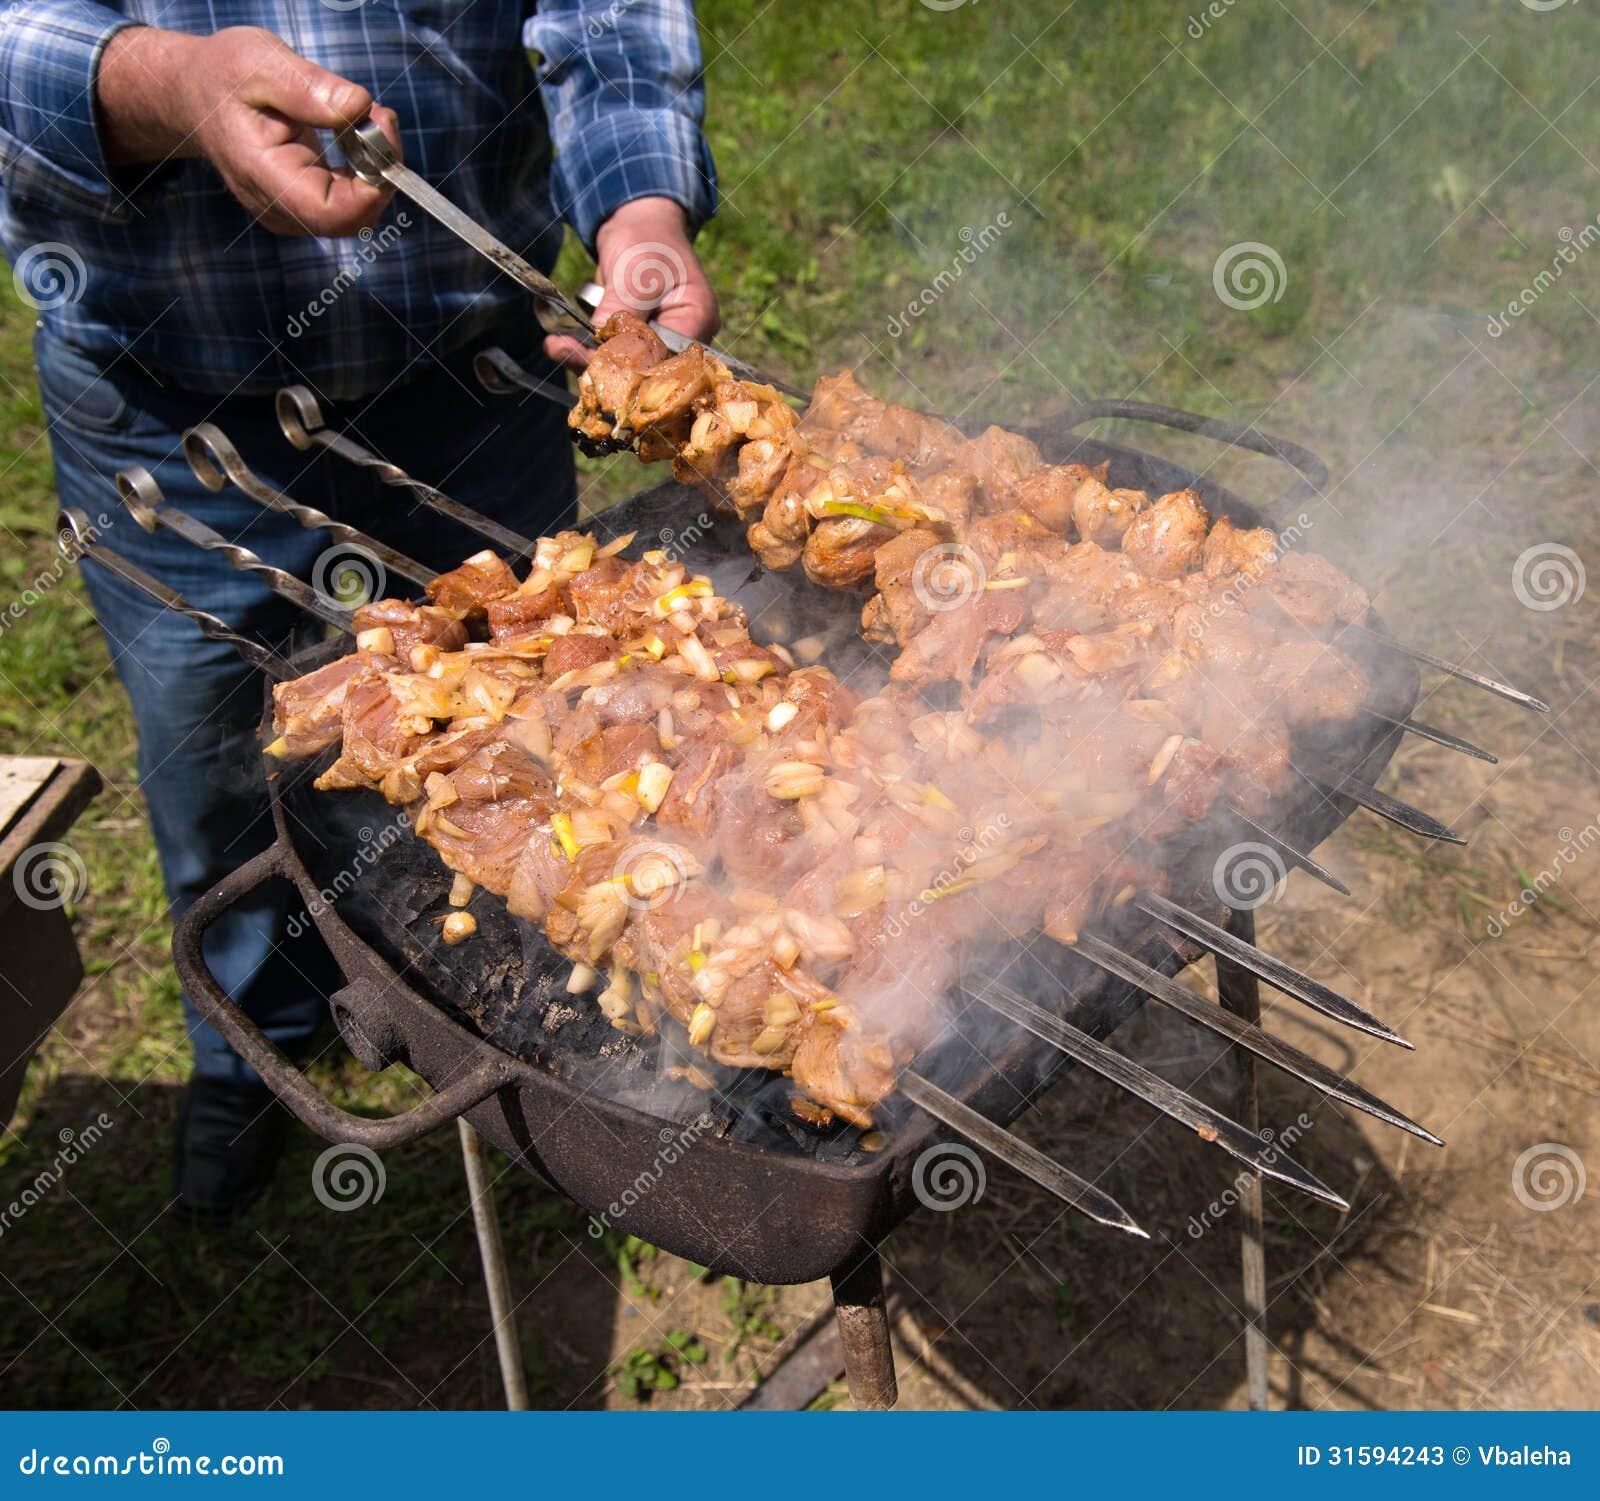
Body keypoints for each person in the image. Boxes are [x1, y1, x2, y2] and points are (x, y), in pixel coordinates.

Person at [0, 1, 720, 1218]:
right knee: (221, 776)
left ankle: (526, 1043)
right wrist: (173, 89)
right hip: (167, 401)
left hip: (474, 376)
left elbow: (608, 16)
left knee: (549, 753)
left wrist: (638, 208)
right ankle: (251, 1047)